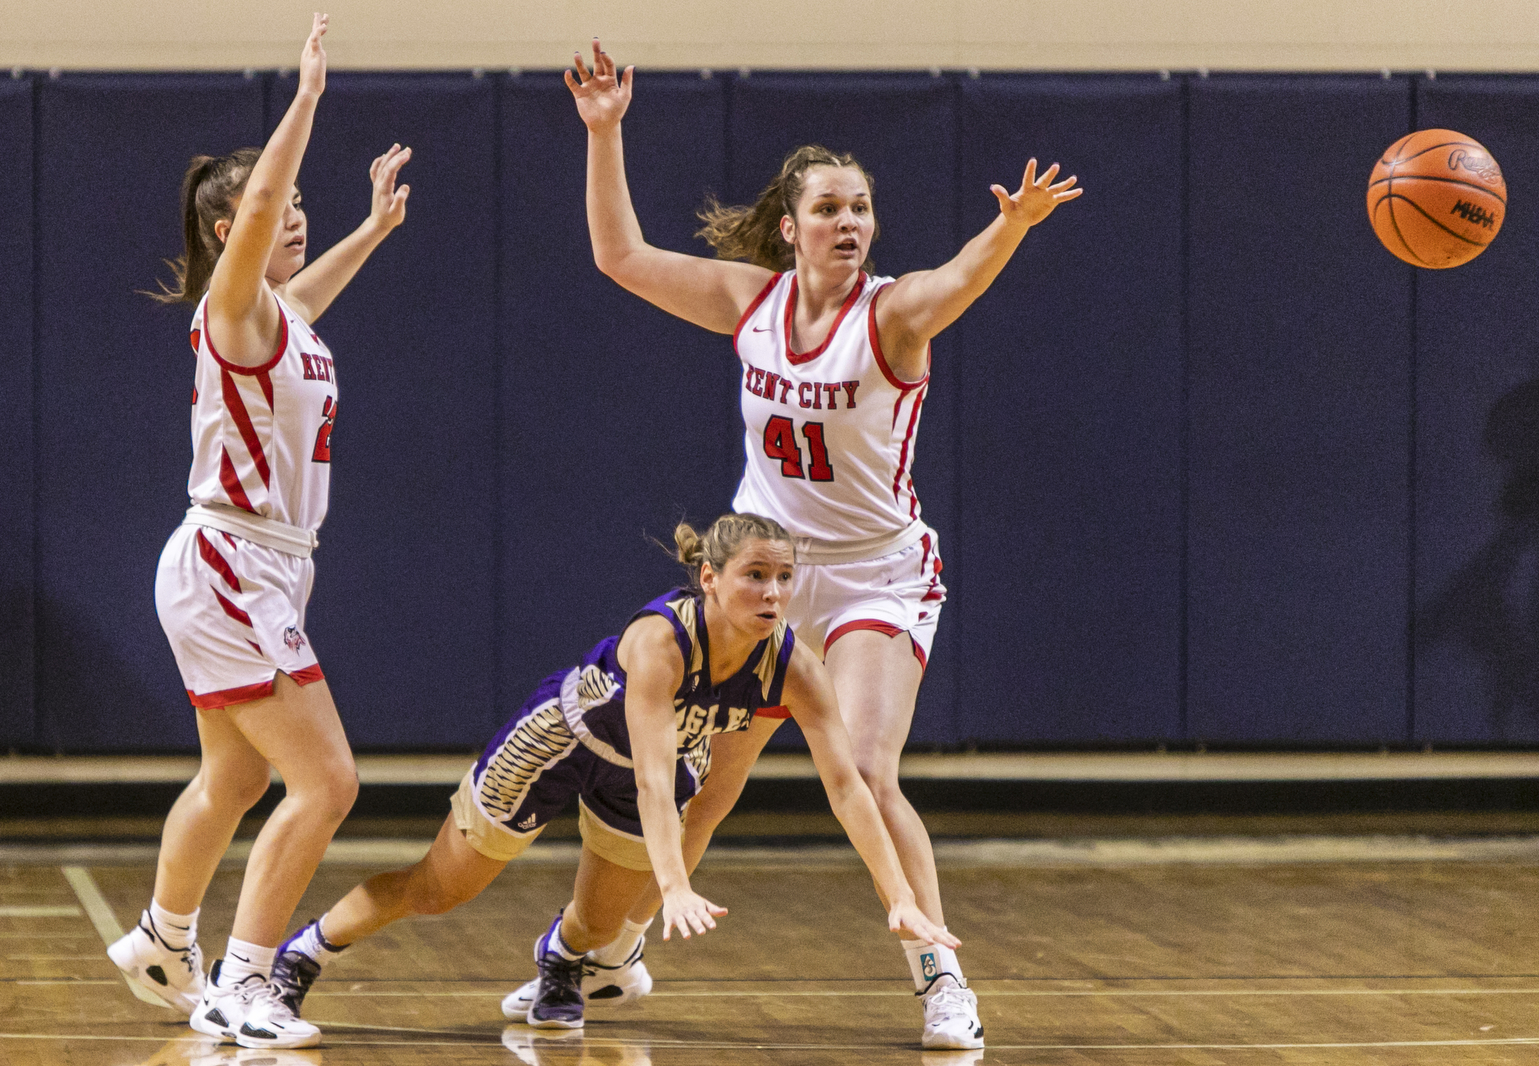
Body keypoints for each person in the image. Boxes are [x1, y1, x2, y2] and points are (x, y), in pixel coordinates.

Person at [555, 39, 1081, 1050]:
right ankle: (611, 947)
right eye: (830, 208)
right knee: (711, 786)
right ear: (790, 228)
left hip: (877, 573)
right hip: (767, 576)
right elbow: (619, 256)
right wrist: (605, 132)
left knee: (870, 774)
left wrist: (1009, 227)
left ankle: (940, 976)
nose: (849, 222)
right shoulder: (748, 303)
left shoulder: (893, 314)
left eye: (862, 208)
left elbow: (957, 279)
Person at [269, 514, 958, 1035]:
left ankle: (561, 957)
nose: (773, 593)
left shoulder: (794, 663)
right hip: (561, 741)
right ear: (710, 579)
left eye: (783, 578)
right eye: (755, 575)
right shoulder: (661, 641)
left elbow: (847, 787)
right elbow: (657, 780)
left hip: (646, 771)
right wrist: (674, 886)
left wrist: (899, 895)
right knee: (439, 888)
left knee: (599, 926)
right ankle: (303, 954)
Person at [106, 13, 412, 1051]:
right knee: (328, 781)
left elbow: (309, 291)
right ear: (227, 228)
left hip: (258, 568)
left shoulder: (284, 319)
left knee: (236, 778)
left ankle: (163, 937)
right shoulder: (230, 307)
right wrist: (308, 97)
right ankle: (242, 983)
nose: (293, 219)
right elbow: (268, 214)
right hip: (229, 561)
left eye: (298, 208)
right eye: (276, 209)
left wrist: (370, 229)